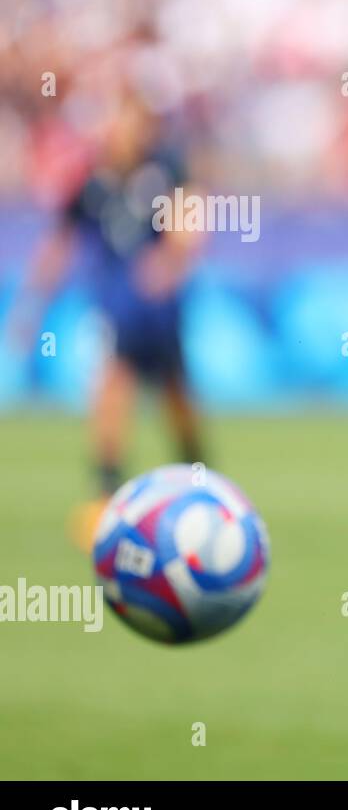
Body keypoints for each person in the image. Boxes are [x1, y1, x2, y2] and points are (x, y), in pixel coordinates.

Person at [7, 92, 206, 549]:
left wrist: (172, 261)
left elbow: (191, 218)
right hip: (115, 299)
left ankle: (201, 478)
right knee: (112, 383)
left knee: (176, 393)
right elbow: (59, 244)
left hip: (158, 303)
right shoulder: (91, 181)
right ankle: (106, 491)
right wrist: (31, 305)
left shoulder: (165, 169)